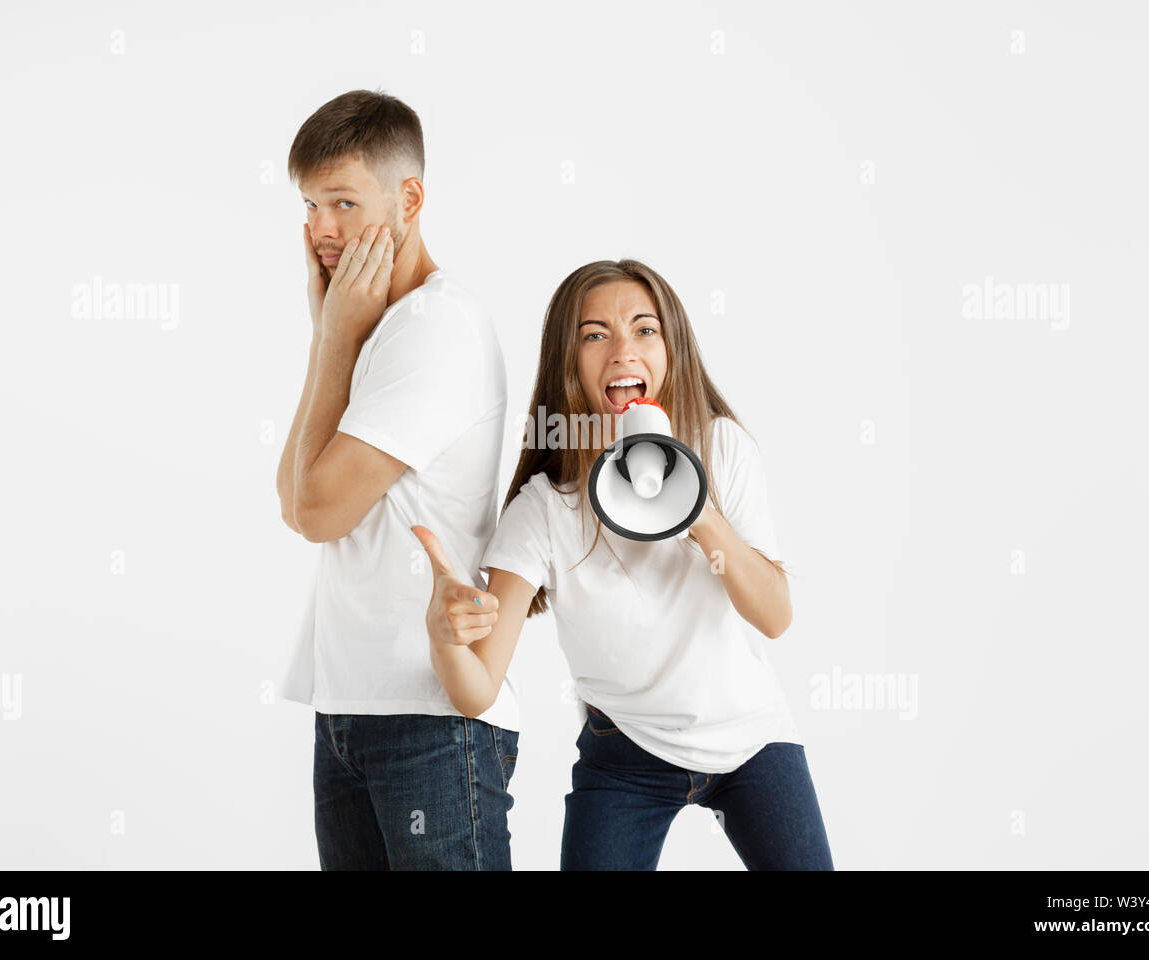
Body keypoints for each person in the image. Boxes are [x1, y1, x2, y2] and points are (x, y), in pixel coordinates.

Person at [412, 259, 833, 870]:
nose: (621, 351)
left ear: (671, 349)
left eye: (644, 329)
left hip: (750, 740)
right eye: (594, 334)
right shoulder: (545, 508)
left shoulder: (722, 447)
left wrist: (698, 511)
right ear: (570, 364)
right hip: (626, 756)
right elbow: (476, 689)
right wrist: (444, 636)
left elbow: (775, 616)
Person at [276, 90, 519, 870]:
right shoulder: (375, 325)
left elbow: (316, 510)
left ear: (409, 199)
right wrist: (333, 337)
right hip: (351, 708)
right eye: (310, 204)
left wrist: (334, 338)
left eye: (344, 202)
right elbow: (294, 499)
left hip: (429, 720)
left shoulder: (433, 328)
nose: (321, 229)